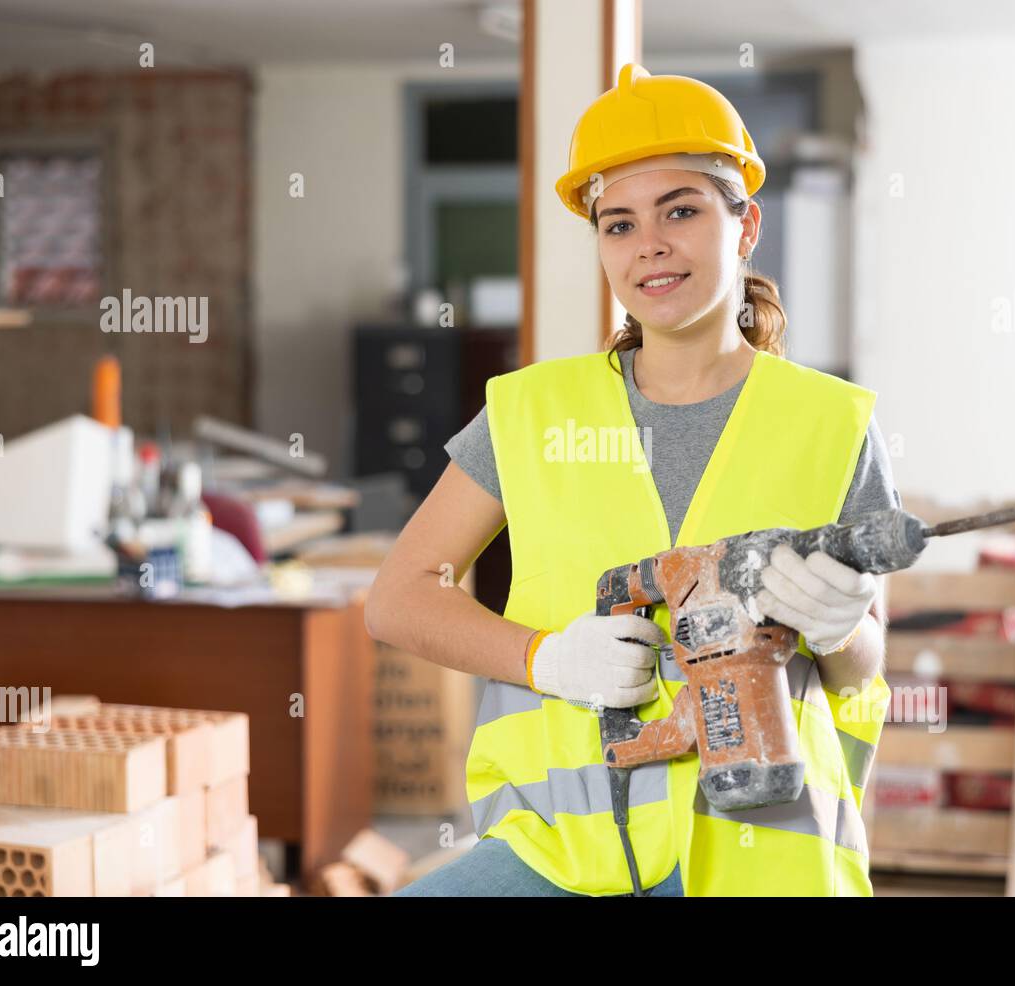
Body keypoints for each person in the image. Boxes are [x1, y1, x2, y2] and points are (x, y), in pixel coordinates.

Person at [368, 63, 899, 897]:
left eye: (681, 210)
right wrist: (546, 660)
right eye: (617, 224)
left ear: (746, 224)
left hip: (765, 855)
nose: (648, 244)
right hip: (564, 857)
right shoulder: (533, 412)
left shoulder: (832, 424)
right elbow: (398, 596)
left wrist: (836, 629)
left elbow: (864, 667)